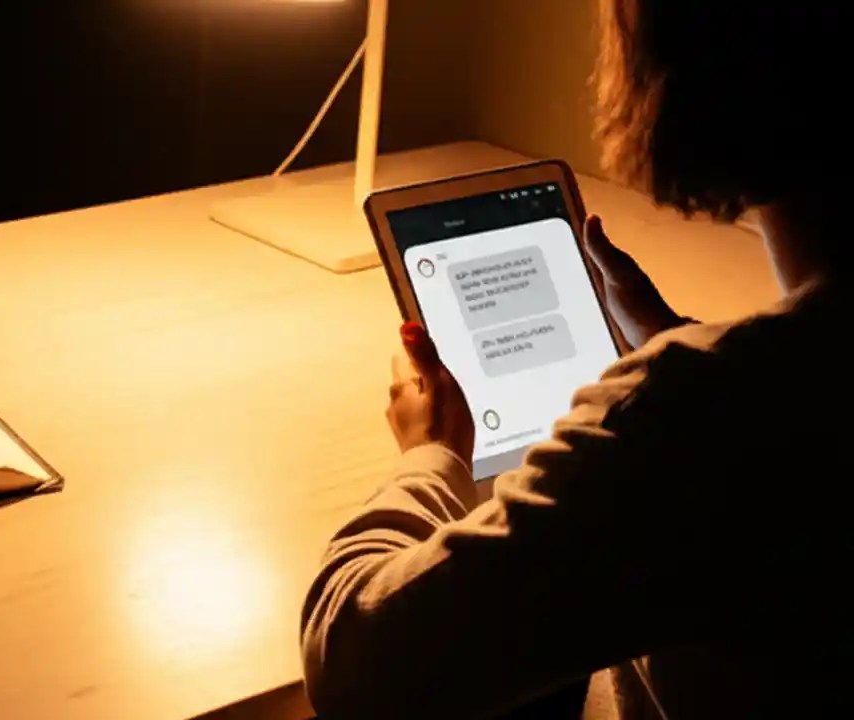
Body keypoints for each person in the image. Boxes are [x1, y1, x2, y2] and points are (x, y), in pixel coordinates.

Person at [300, 1, 850, 718]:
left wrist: (430, 457)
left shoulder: (696, 429)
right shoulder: (759, 397)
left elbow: (353, 661)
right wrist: (674, 341)